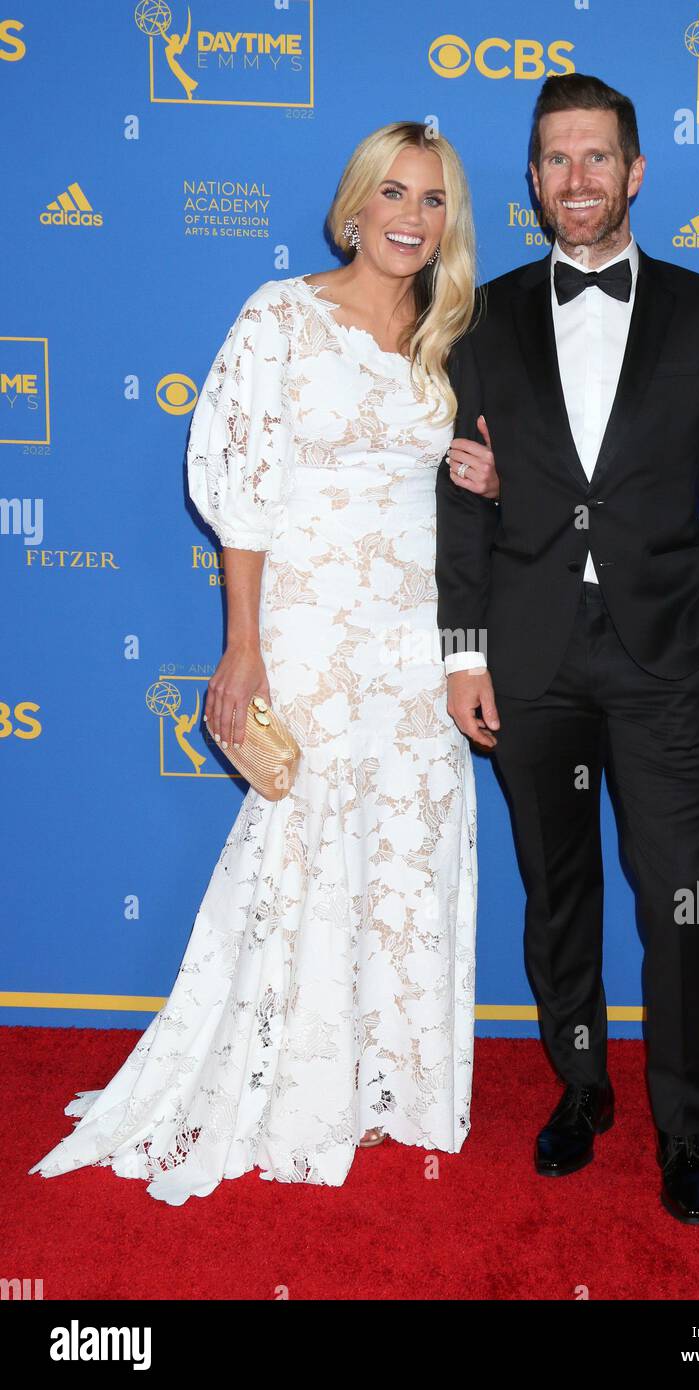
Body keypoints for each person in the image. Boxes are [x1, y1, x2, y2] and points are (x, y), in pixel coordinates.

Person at [29, 121, 499, 1204]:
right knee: (307, 835)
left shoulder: (451, 330)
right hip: (311, 625)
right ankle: (291, 1079)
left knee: (407, 845)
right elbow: (242, 491)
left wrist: (487, 483)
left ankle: (391, 1084)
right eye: (390, 194)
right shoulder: (280, 314)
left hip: (415, 633)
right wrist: (242, 644)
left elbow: (472, 489)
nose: (409, 218)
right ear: (352, 206)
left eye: (431, 200)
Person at [436, 74, 699, 1224]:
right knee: (556, 893)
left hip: (665, 655)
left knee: (677, 896)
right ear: (529, 179)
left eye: (595, 158)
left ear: (633, 172)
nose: (573, 180)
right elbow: (461, 500)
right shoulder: (479, 317)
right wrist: (464, 649)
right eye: (552, 160)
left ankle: (685, 1123)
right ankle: (581, 1086)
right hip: (530, 657)